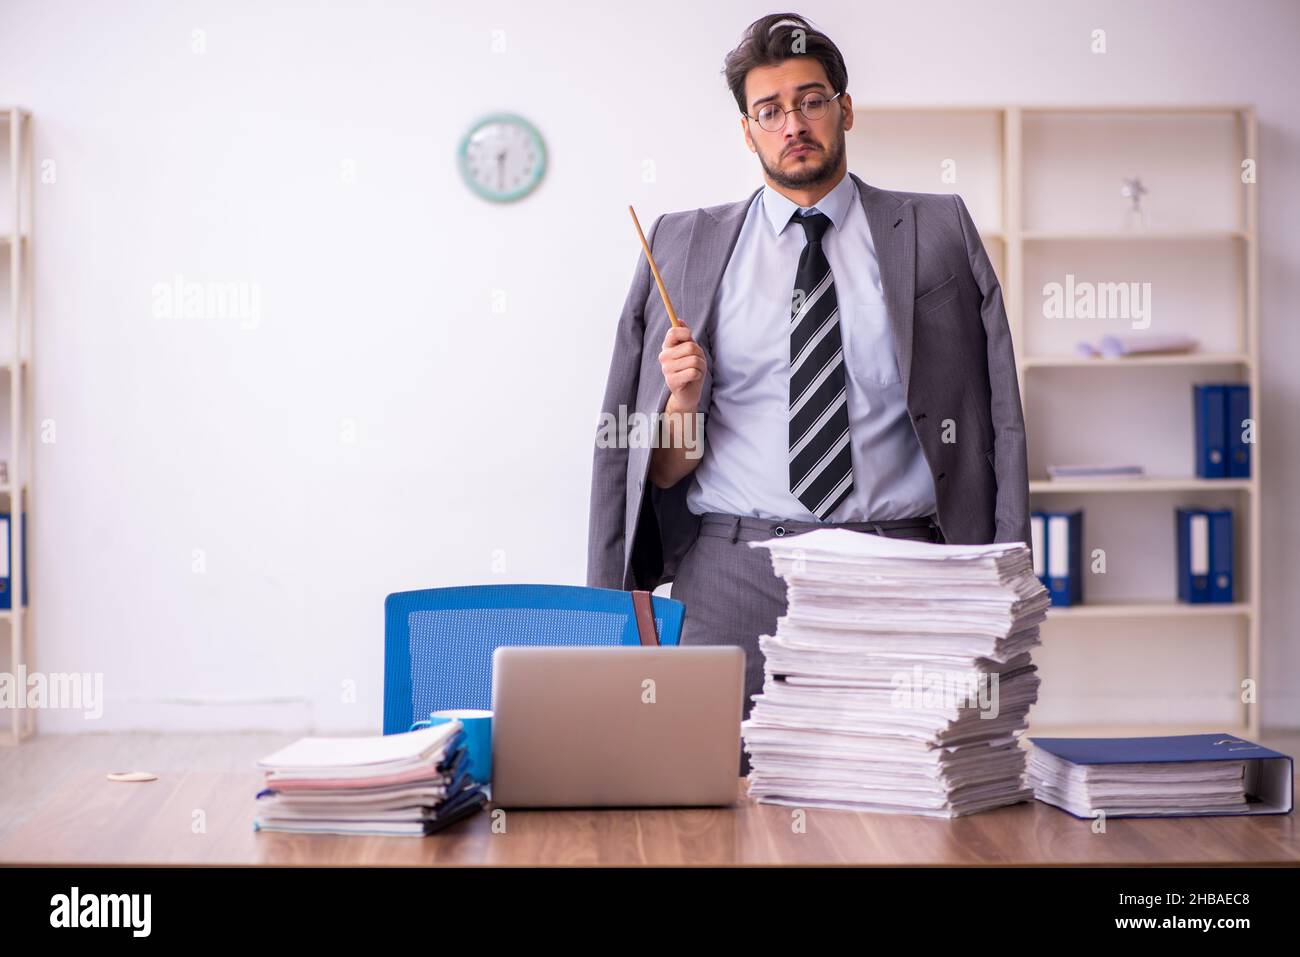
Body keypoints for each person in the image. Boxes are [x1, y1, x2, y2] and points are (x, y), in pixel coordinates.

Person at [587, 12, 1029, 775]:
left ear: (844, 108)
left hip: (897, 565)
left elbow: (998, 416)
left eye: (811, 99)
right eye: (769, 110)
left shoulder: (939, 229)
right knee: (707, 789)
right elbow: (649, 466)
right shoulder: (679, 242)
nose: (793, 123)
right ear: (748, 131)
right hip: (731, 572)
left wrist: (1005, 580)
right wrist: (682, 407)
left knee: (903, 792)